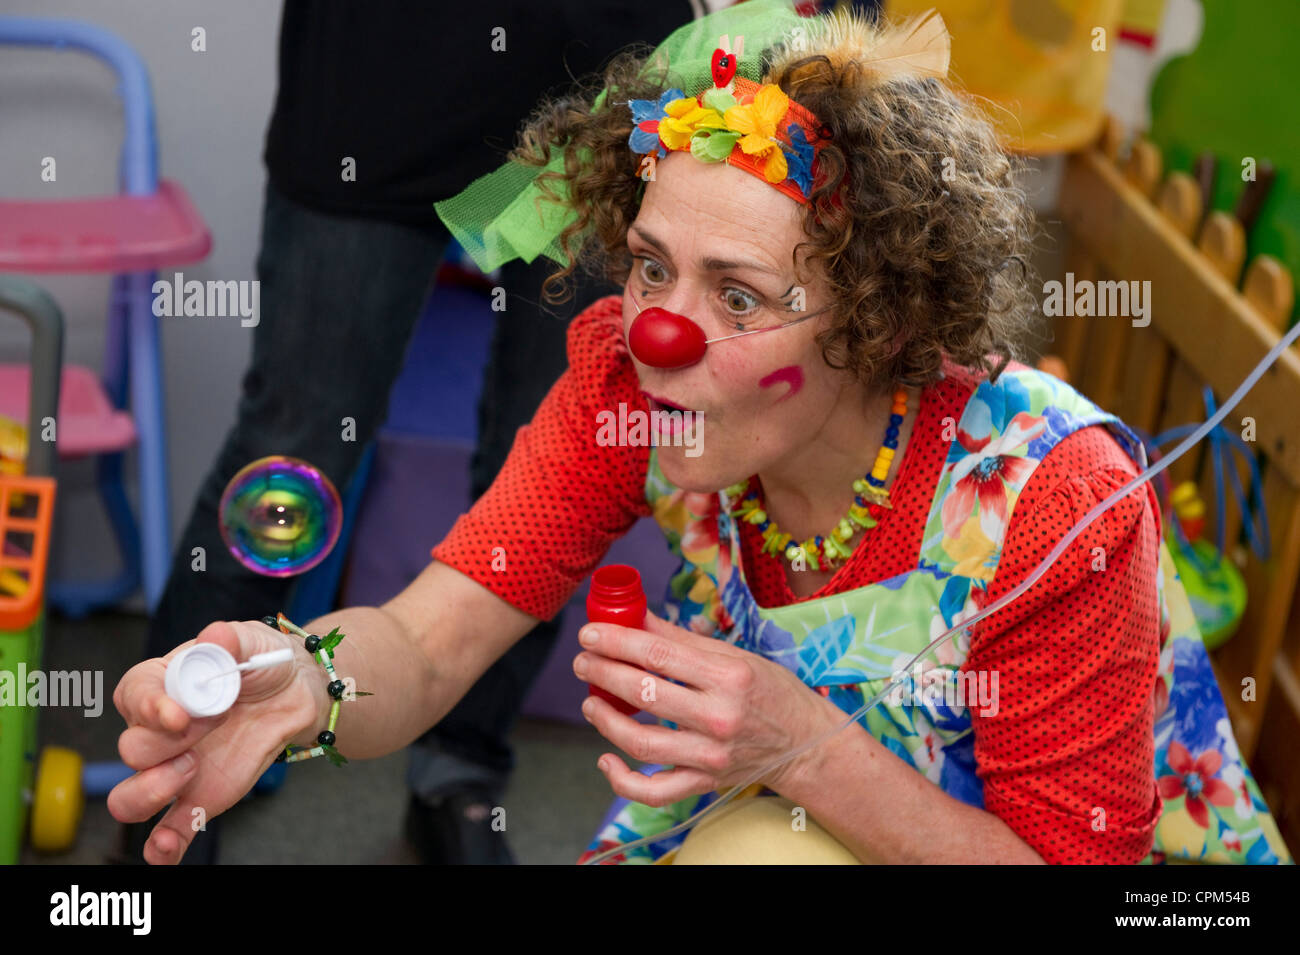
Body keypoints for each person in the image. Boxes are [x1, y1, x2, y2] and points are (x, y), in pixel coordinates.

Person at [108, 1, 1290, 865]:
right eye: (649, 264)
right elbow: (426, 645)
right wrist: (306, 688)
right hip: (768, 810)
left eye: (736, 295)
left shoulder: (1048, 500)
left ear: (879, 324)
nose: (660, 332)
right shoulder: (634, 383)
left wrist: (800, 747)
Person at [118, 0, 689, 864]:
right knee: (291, 449)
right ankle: (173, 770)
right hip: (383, 76)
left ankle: (456, 775)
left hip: (609, 88)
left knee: (553, 477)